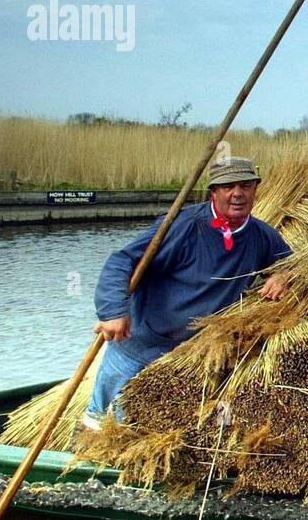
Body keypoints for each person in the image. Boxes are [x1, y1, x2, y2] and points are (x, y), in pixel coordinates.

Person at [81, 156, 291, 432]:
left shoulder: (261, 236)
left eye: (245, 186)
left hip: (196, 352)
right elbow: (122, 261)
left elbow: (292, 263)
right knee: (103, 421)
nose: (237, 194)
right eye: (228, 187)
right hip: (144, 340)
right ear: (213, 192)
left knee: (163, 428)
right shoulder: (183, 226)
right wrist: (112, 311)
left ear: (255, 190)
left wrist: (284, 275)